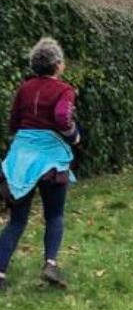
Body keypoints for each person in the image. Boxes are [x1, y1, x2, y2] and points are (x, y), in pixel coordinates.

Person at [0, 38, 80, 292]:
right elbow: (62, 117)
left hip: (21, 159)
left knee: (16, 220)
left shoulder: (24, 88)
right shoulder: (64, 90)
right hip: (51, 161)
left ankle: (0, 273)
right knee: (54, 215)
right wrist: (74, 136)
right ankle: (50, 264)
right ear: (57, 64)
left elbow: (13, 122)